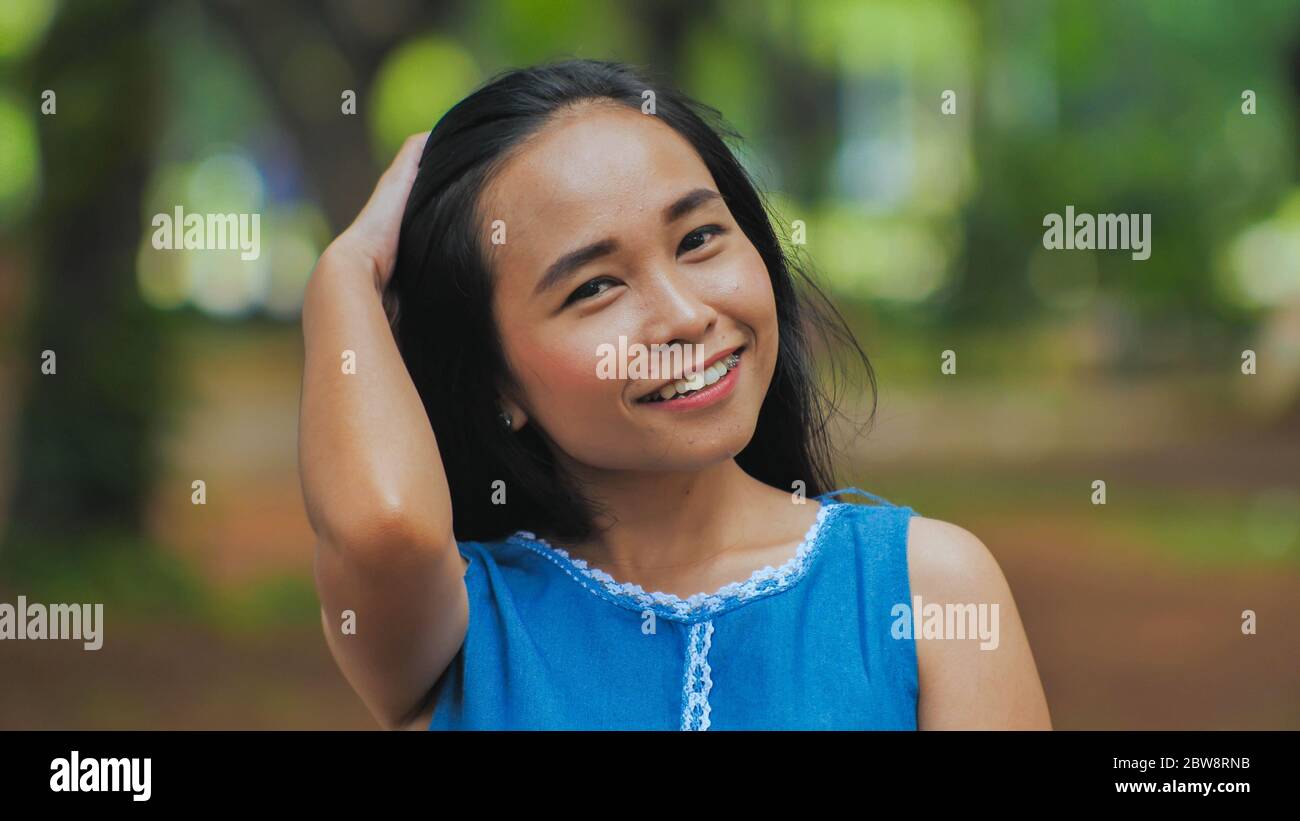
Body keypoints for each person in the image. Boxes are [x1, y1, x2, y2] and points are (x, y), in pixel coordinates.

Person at [298, 59, 1051, 730]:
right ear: (498, 382)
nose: (687, 314)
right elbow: (384, 528)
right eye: (595, 287)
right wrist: (347, 269)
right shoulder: (459, 627)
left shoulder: (925, 588)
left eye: (698, 239)